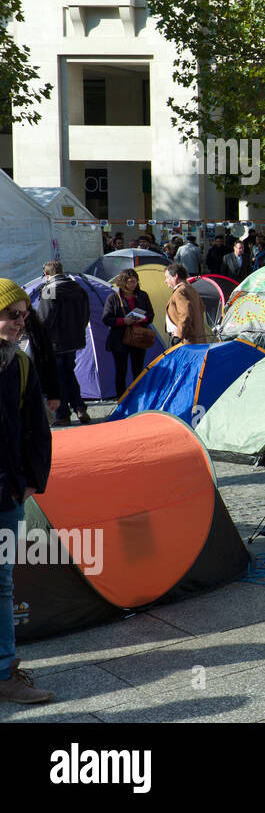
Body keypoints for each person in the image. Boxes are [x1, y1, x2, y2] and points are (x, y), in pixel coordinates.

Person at [0, 279, 54, 703]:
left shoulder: (20, 365)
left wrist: (32, 480)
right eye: (12, 314)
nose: (21, 322)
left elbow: (37, 429)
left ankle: (4, 672)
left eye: (24, 314)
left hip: (7, 494)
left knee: (2, 582)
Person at [34, 262, 90, 427]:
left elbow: (45, 317)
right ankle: (80, 407)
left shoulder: (50, 289)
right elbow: (86, 314)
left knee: (57, 378)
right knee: (69, 374)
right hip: (75, 340)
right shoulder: (78, 288)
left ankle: (63, 414)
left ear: (46, 274)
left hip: (55, 342)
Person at [103, 269, 155, 399]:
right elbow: (107, 319)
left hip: (139, 338)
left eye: (135, 281)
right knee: (121, 371)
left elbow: (151, 315)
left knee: (138, 371)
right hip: (120, 339)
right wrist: (123, 321)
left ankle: (139, 396)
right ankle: (121, 398)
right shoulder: (113, 298)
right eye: (130, 282)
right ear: (123, 282)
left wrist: (143, 319)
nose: (133, 284)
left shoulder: (143, 295)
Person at [164, 263, 207, 346]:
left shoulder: (179, 291)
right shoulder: (191, 289)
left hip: (187, 340)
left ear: (175, 276)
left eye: (167, 277)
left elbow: (185, 313)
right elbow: (202, 308)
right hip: (197, 338)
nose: (165, 281)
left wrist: (179, 334)